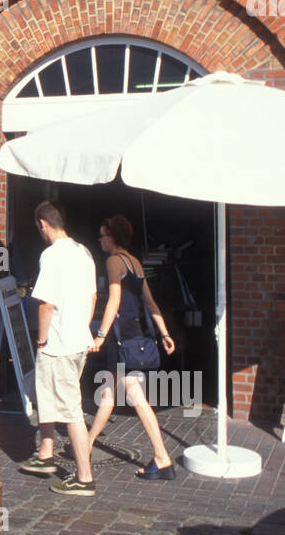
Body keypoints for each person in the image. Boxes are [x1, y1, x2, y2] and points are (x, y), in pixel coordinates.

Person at [88, 215, 177, 480]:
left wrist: (100, 335)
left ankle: (162, 458)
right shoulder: (135, 263)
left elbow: (114, 300)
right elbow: (149, 303)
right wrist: (165, 333)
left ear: (113, 237)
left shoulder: (114, 261)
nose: (100, 239)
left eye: (103, 235)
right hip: (134, 333)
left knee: (136, 398)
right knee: (109, 393)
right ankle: (87, 443)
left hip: (120, 337)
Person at [20, 202, 97, 495]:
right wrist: (81, 327)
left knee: (71, 409)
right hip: (77, 340)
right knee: (47, 395)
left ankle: (84, 478)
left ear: (43, 224)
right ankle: (45, 453)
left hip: (57, 343)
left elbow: (46, 304)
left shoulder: (51, 256)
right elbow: (92, 297)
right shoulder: (84, 252)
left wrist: (41, 340)